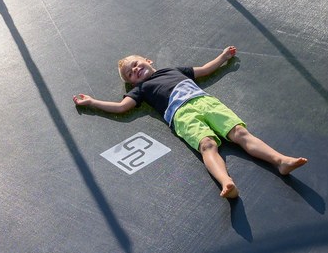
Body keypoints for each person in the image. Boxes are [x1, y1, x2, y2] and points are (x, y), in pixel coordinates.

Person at [73, 46, 307, 199]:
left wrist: (223, 57)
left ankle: (281, 161)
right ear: (132, 84)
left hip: (206, 103)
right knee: (207, 145)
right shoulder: (142, 89)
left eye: (136, 64)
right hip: (181, 115)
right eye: (130, 73)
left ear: (148, 60)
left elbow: (204, 70)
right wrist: (92, 101)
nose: (135, 69)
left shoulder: (172, 70)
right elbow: (122, 107)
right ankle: (227, 183)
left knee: (239, 133)